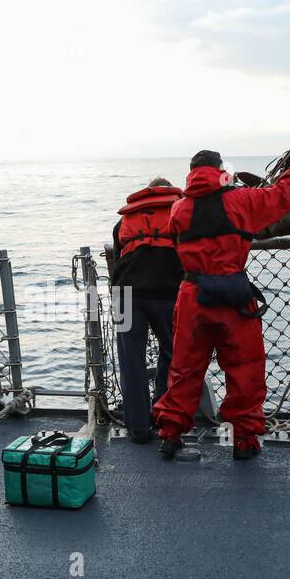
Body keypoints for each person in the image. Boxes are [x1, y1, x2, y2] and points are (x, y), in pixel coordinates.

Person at [152, 148, 290, 461]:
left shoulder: (178, 209)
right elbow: (283, 195)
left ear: (191, 173)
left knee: (184, 368)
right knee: (245, 367)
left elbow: (175, 240)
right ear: (220, 170)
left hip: (193, 294)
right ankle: (244, 440)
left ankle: (170, 434)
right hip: (233, 293)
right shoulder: (242, 200)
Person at [110, 178, 183, 443]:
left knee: (131, 361)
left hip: (125, 296)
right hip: (167, 293)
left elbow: (119, 259)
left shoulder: (123, 221)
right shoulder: (179, 212)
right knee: (173, 353)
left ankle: (138, 428)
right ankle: (162, 414)